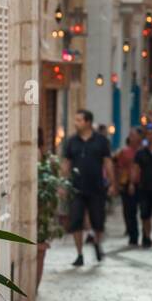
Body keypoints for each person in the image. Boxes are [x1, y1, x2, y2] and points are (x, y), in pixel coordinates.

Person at [61, 109, 117, 266]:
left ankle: (98, 244)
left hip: (97, 188)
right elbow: (66, 163)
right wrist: (63, 184)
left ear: (87, 122)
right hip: (76, 188)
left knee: (98, 220)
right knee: (76, 221)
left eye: (79, 120)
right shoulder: (71, 141)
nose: (75, 123)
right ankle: (79, 254)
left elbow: (108, 163)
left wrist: (112, 183)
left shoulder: (101, 141)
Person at [116, 128, 143, 246]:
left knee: (144, 211)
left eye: (133, 135)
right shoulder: (124, 152)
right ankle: (133, 236)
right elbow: (119, 167)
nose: (131, 137)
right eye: (130, 135)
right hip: (127, 184)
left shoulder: (144, 151)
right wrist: (119, 184)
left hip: (142, 184)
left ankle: (146, 234)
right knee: (129, 211)